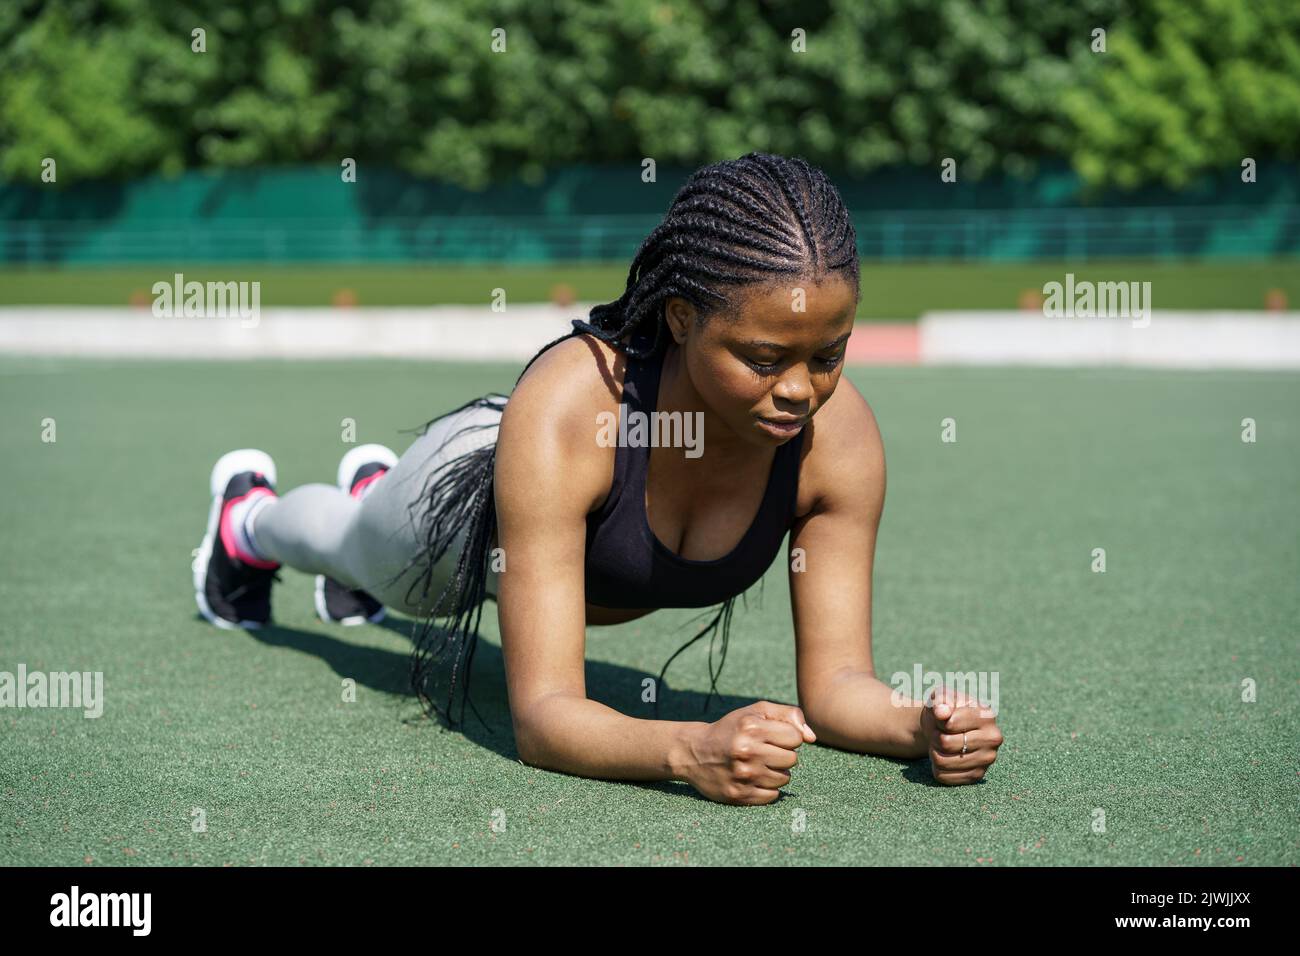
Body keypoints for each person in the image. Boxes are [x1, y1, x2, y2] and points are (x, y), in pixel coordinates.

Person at [192, 152, 1004, 804]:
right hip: (464, 498)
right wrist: (688, 748)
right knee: (350, 542)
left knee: (362, 538)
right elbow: (545, 719)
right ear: (682, 319)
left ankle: (371, 491)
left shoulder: (838, 440)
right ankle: (248, 521)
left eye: (828, 355)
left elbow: (835, 686)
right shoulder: (574, 406)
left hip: (523, 497)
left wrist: (916, 726)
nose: (799, 389)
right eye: (763, 359)